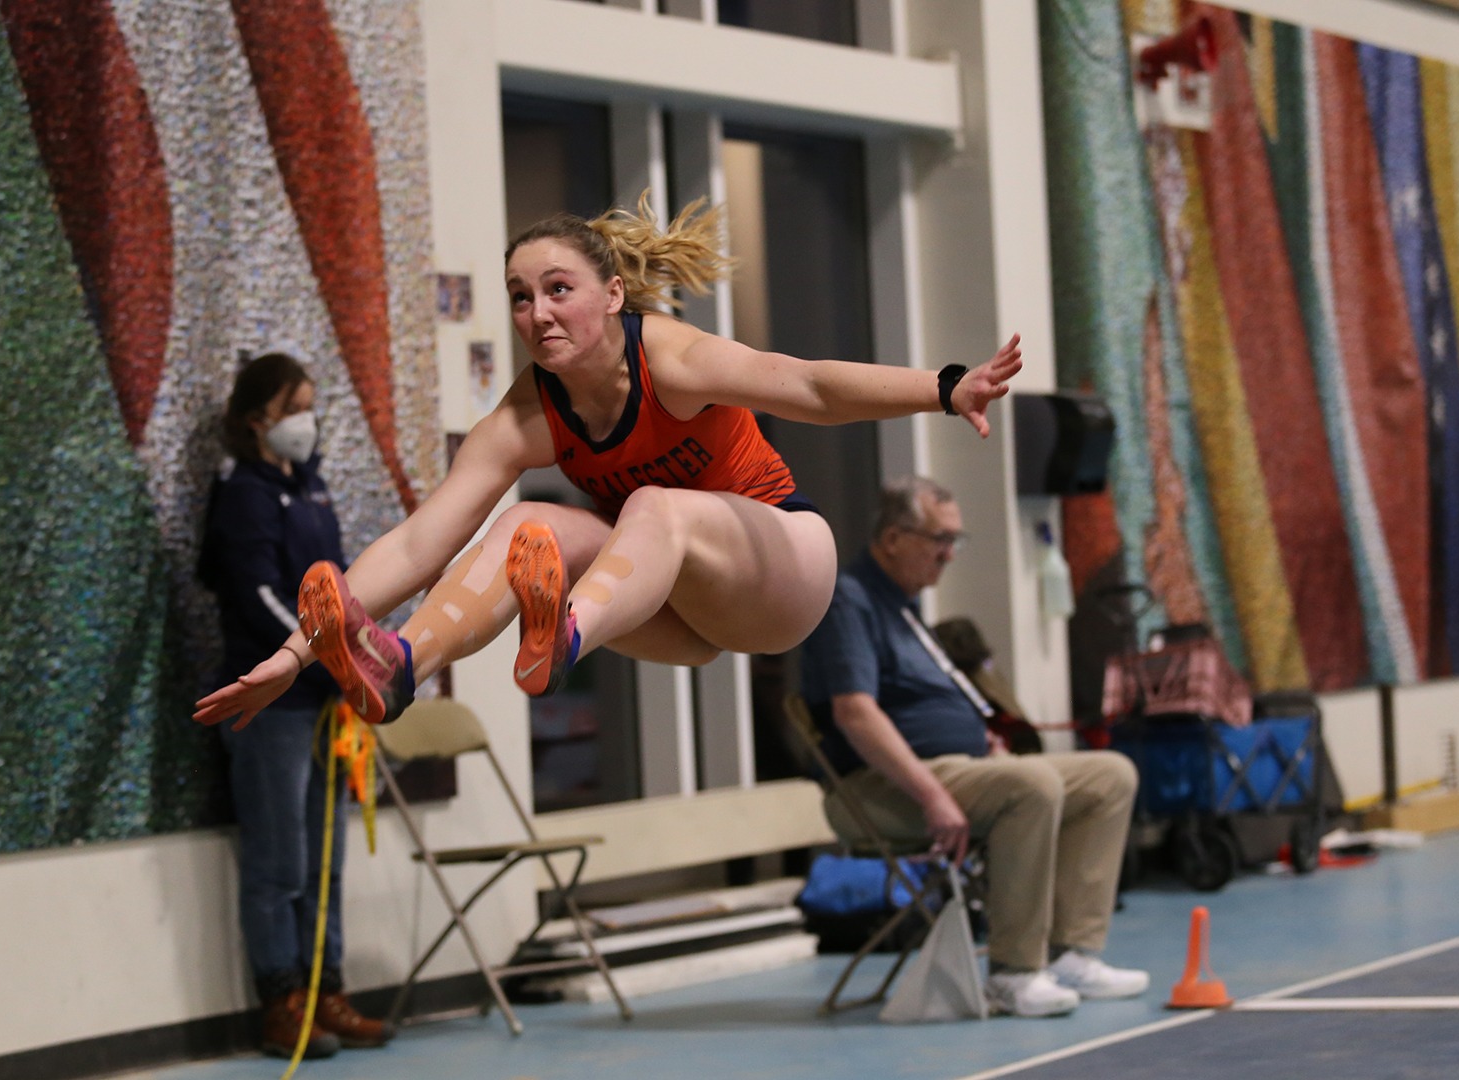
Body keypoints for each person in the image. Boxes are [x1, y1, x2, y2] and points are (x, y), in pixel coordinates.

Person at [190, 193, 1019, 747]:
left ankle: (566, 634)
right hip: (670, 610)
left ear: (614, 295)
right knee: (525, 524)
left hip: (782, 574)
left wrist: (946, 388)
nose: (537, 313)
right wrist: (296, 656)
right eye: (520, 297)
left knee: (656, 503)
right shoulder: (525, 415)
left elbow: (807, 384)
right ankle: (403, 666)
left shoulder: (673, 359)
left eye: (558, 289)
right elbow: (417, 545)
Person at [799, 476, 1146, 1018]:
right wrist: (933, 794)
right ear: (892, 539)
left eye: (956, 541)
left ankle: (1070, 953)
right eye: (939, 539)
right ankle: (1013, 973)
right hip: (878, 787)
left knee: (1110, 775)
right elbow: (856, 714)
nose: (949, 555)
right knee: (1031, 785)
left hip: (959, 768)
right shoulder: (851, 600)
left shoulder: (906, 608)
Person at [196, 353, 395, 1058]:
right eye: (295, 407)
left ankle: (324, 991)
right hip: (271, 706)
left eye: (313, 404)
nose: (307, 421)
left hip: (325, 702)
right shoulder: (243, 493)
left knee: (324, 861)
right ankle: (281, 1002)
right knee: (279, 862)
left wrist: (359, 652)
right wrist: (315, 652)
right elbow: (258, 595)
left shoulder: (311, 488)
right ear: (259, 420)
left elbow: (335, 588)